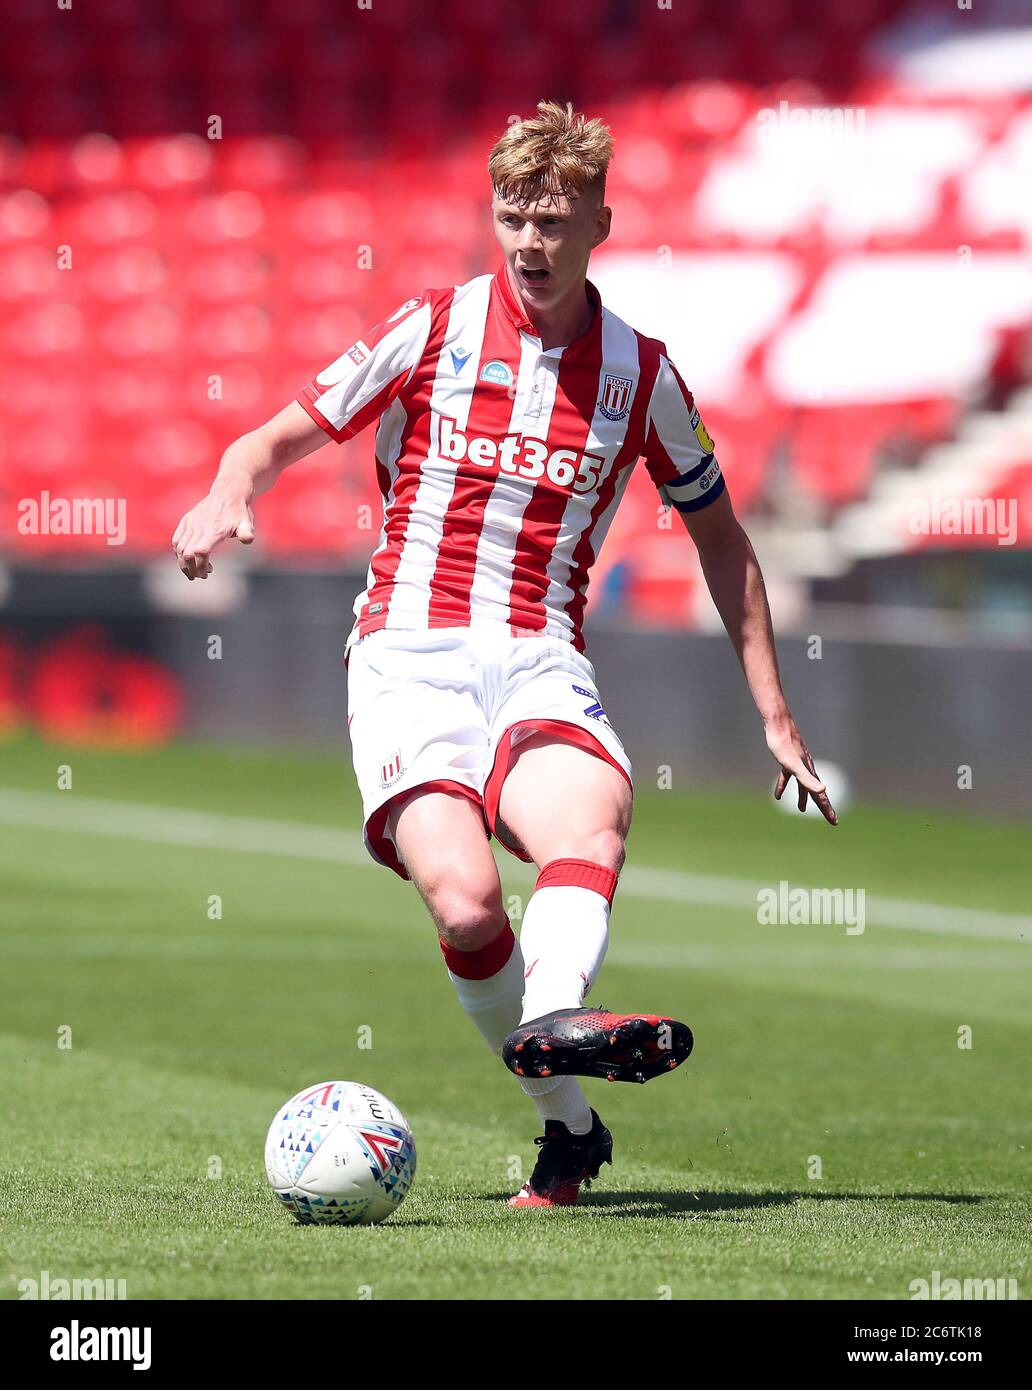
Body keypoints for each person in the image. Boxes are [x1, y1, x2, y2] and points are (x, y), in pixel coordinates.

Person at [172, 100, 836, 1209]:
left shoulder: (643, 375)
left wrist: (775, 714)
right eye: (513, 216)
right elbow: (271, 436)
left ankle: (553, 1022)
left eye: (553, 220)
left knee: (590, 818)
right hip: (408, 652)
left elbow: (724, 537)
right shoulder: (430, 326)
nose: (529, 241)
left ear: (601, 226)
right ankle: (570, 1126)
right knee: (470, 903)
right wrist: (226, 490)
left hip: (540, 656)